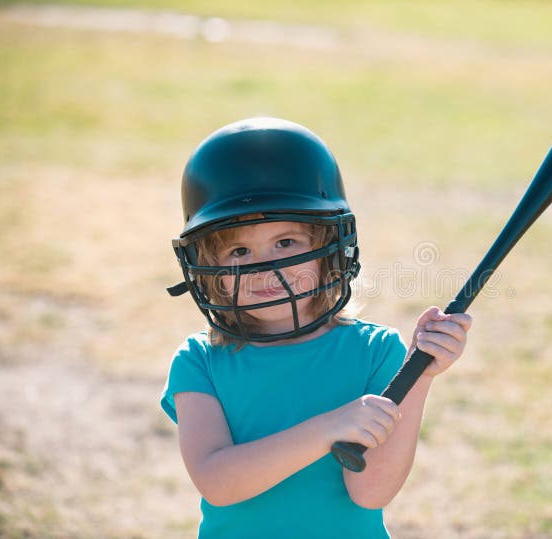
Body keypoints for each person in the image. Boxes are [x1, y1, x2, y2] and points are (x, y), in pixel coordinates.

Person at [161, 117, 472, 538]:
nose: (265, 267)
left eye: (286, 243)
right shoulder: (199, 362)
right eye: (239, 249)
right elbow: (218, 482)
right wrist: (329, 428)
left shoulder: (376, 352)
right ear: (208, 268)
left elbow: (371, 492)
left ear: (328, 248)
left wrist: (419, 374)